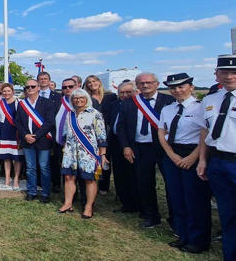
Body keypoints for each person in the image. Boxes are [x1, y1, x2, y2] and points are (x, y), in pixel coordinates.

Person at [156, 73, 210, 253]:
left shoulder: (202, 108)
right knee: (176, 196)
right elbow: (161, 132)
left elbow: (205, 134)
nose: (177, 90)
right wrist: (172, 155)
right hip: (172, 154)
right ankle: (182, 234)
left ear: (191, 87)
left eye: (181, 86)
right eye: (173, 88)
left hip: (194, 153)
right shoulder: (168, 109)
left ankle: (197, 239)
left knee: (194, 198)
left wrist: (193, 157)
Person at [116, 72, 175, 228]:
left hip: (164, 148)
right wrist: (126, 146)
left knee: (171, 184)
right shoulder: (130, 103)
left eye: (149, 82)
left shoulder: (169, 101)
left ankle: (175, 217)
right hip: (140, 148)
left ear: (157, 84)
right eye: (141, 83)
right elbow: (121, 127)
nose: (145, 85)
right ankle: (151, 215)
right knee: (145, 183)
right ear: (137, 85)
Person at [197, 54, 236, 259]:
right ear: (217, 75)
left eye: (234, 72)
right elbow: (205, 131)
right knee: (226, 213)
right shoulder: (211, 100)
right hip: (217, 161)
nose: (229, 76)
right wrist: (203, 160)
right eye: (224, 72)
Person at [57, 89, 108, 219]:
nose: (78, 100)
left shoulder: (95, 113)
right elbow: (64, 133)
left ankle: (88, 206)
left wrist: (102, 155)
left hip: (88, 151)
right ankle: (68, 203)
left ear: (86, 99)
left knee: (89, 179)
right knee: (69, 177)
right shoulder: (69, 114)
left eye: (81, 98)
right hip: (70, 151)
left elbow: (101, 135)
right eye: (75, 98)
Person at [15, 79, 56, 203]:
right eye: (27, 87)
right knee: (30, 168)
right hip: (27, 140)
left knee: (44, 167)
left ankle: (45, 193)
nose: (30, 89)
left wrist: (36, 136)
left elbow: (50, 122)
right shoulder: (22, 104)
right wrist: (25, 135)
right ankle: (31, 191)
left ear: (38, 87)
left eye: (33, 86)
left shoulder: (47, 103)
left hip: (43, 140)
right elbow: (17, 122)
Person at [108, 81, 140, 213]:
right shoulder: (114, 105)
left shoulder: (138, 106)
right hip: (115, 142)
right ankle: (125, 204)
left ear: (135, 92)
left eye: (128, 92)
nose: (125, 95)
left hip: (132, 144)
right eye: (122, 92)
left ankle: (137, 204)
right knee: (119, 174)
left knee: (133, 175)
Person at [0, 83, 22, 190]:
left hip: (16, 132)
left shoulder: (19, 102)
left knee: (17, 157)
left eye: (8, 91)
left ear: (13, 91)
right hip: (3, 131)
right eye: (4, 91)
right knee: (6, 157)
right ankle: (7, 178)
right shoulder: (0, 103)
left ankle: (16, 179)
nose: (6, 93)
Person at [52, 78, 78, 194]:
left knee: (78, 172)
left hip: (78, 144)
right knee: (65, 170)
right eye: (64, 87)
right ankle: (67, 195)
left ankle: (79, 196)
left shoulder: (83, 101)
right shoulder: (58, 102)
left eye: (70, 86)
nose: (67, 89)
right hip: (60, 143)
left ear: (77, 86)